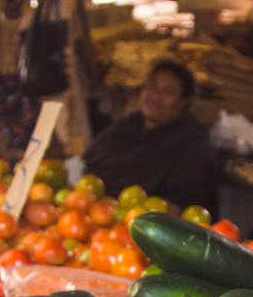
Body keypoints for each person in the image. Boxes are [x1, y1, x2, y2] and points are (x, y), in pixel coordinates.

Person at [83, 59, 220, 212]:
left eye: (169, 92)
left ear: (183, 101)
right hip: (91, 215)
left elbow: (182, 204)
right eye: (152, 86)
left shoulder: (191, 145)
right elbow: (88, 166)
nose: (155, 96)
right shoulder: (122, 130)